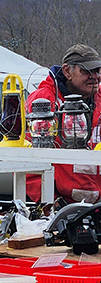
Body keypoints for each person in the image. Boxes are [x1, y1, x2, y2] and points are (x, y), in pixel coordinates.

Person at [26, 43, 101, 203]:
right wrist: (50, 202)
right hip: (60, 205)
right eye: (86, 71)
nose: (94, 76)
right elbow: (27, 160)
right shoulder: (43, 102)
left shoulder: (99, 100)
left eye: (97, 71)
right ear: (67, 71)